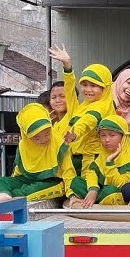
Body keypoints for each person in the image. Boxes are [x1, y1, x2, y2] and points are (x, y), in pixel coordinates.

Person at [48, 44, 116, 177]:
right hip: (74, 157)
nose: (87, 90)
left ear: (105, 88)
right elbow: (69, 91)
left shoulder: (103, 106)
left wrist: (74, 133)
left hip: (93, 160)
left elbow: (88, 120)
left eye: (94, 86)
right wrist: (67, 66)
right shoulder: (82, 107)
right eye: (84, 85)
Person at [0, 103, 67, 203]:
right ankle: (4, 193)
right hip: (28, 178)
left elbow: (68, 171)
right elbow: (19, 169)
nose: (44, 139)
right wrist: (13, 182)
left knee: (35, 188)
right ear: (27, 137)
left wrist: (71, 192)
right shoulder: (23, 145)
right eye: (37, 138)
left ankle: (10, 195)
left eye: (47, 134)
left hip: (53, 180)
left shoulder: (59, 143)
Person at [69, 115, 130, 208]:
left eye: (112, 135)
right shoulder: (101, 155)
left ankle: (87, 201)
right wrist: (93, 190)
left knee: (110, 191)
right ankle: (93, 200)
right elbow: (91, 174)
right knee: (76, 182)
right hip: (101, 191)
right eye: (103, 135)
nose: (107, 140)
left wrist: (109, 163)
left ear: (123, 136)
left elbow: (121, 185)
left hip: (115, 191)